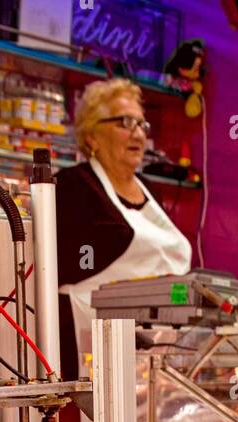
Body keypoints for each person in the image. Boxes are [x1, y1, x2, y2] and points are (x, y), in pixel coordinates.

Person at [56, 79, 192, 378]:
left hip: (154, 345)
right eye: (125, 123)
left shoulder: (150, 190)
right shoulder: (73, 185)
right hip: (88, 341)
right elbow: (61, 267)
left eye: (143, 125)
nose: (139, 135)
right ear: (91, 135)